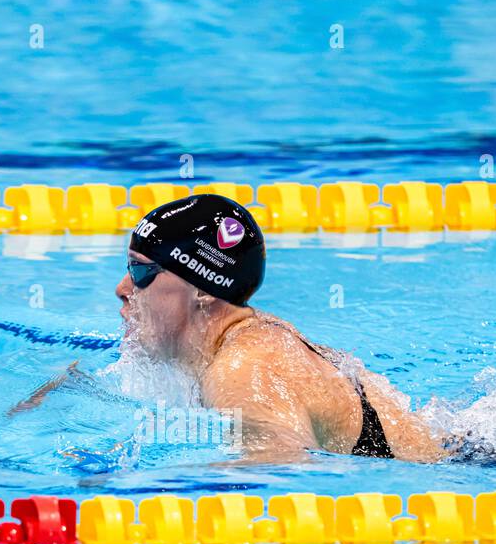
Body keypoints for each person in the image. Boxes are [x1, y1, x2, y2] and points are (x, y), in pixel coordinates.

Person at [113, 193, 446, 463]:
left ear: (203, 289)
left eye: (141, 271)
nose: (123, 287)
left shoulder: (242, 369)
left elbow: (281, 469)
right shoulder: (246, 338)